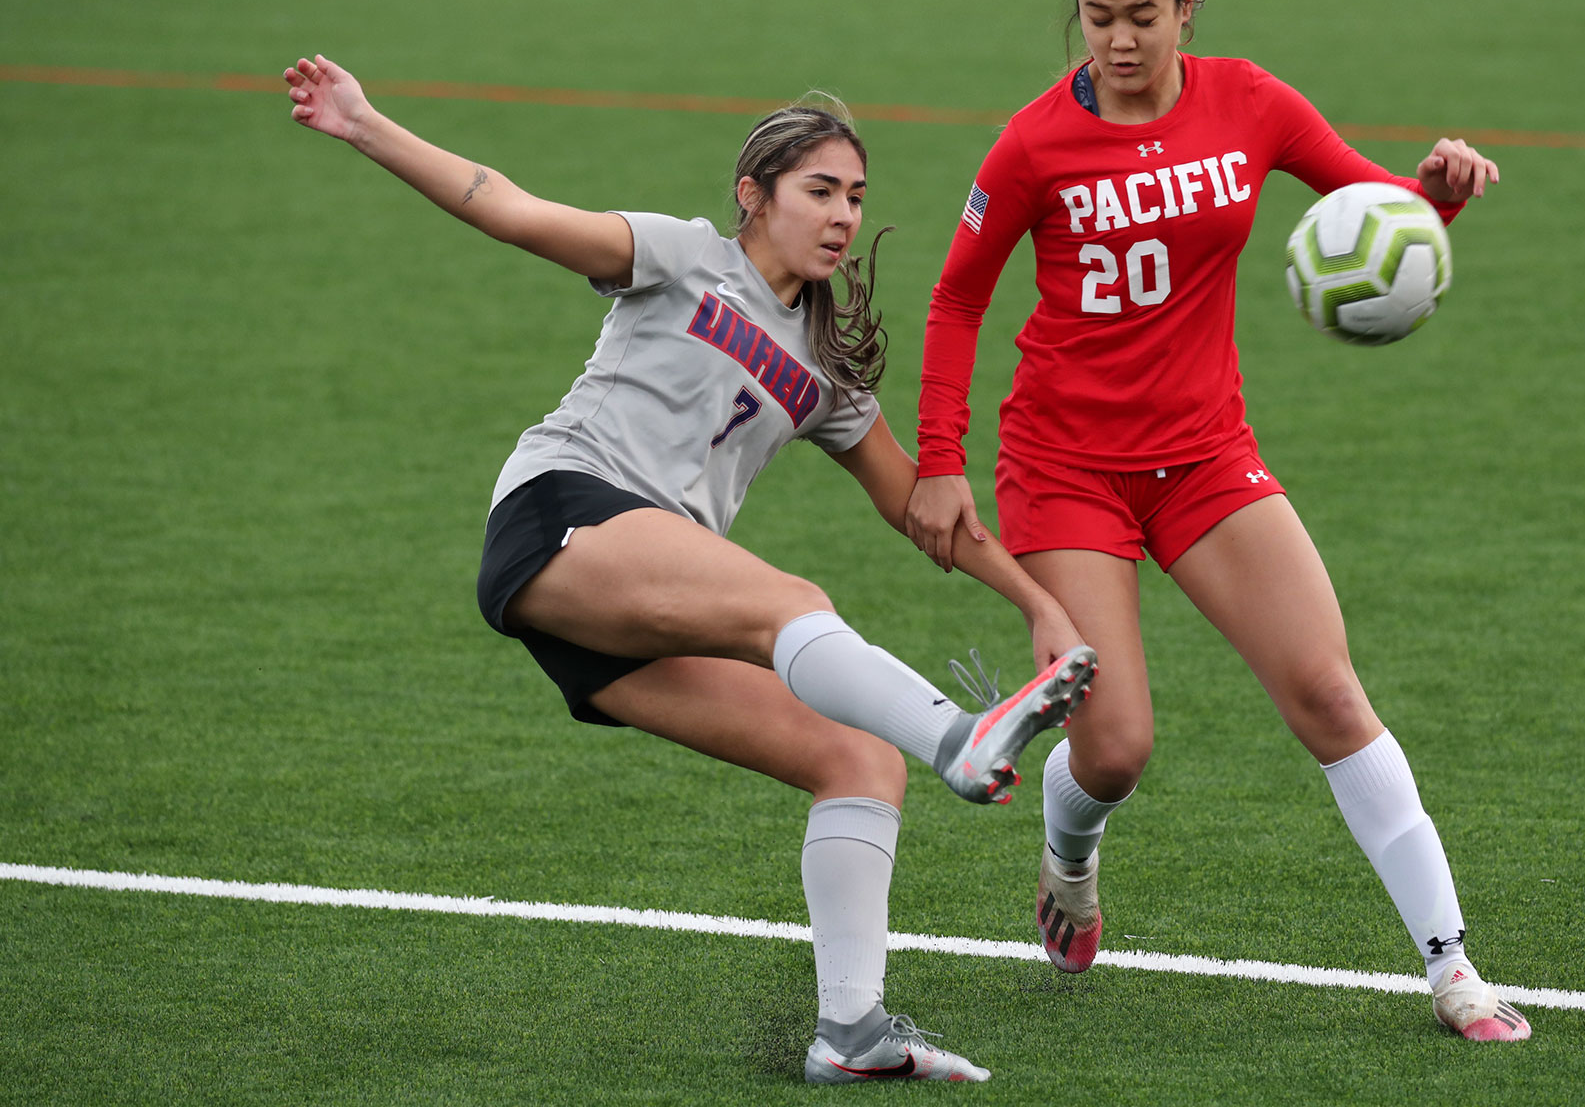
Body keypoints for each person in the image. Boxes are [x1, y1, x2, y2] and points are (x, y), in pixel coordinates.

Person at [283, 54, 1100, 1082]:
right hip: (561, 516)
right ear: (753, 197)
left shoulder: (827, 367)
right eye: (819, 191)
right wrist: (365, 123)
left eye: (856, 196)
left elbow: (917, 507)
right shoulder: (681, 257)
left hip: (622, 611)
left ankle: (850, 1033)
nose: (844, 215)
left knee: (855, 761)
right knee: (792, 604)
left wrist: (1036, 603)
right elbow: (511, 209)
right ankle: (959, 738)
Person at [903, 0, 1530, 1042]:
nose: (1118, 41)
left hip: (1204, 458)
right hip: (1064, 473)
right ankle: (1071, 858)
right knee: (1119, 748)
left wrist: (1433, 192)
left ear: (1189, 7)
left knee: (1330, 693)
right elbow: (956, 298)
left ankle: (1452, 968)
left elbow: (1367, 215)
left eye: (1142, 17)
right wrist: (939, 461)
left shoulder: (1252, 102)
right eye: (1097, 20)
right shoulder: (1034, 143)